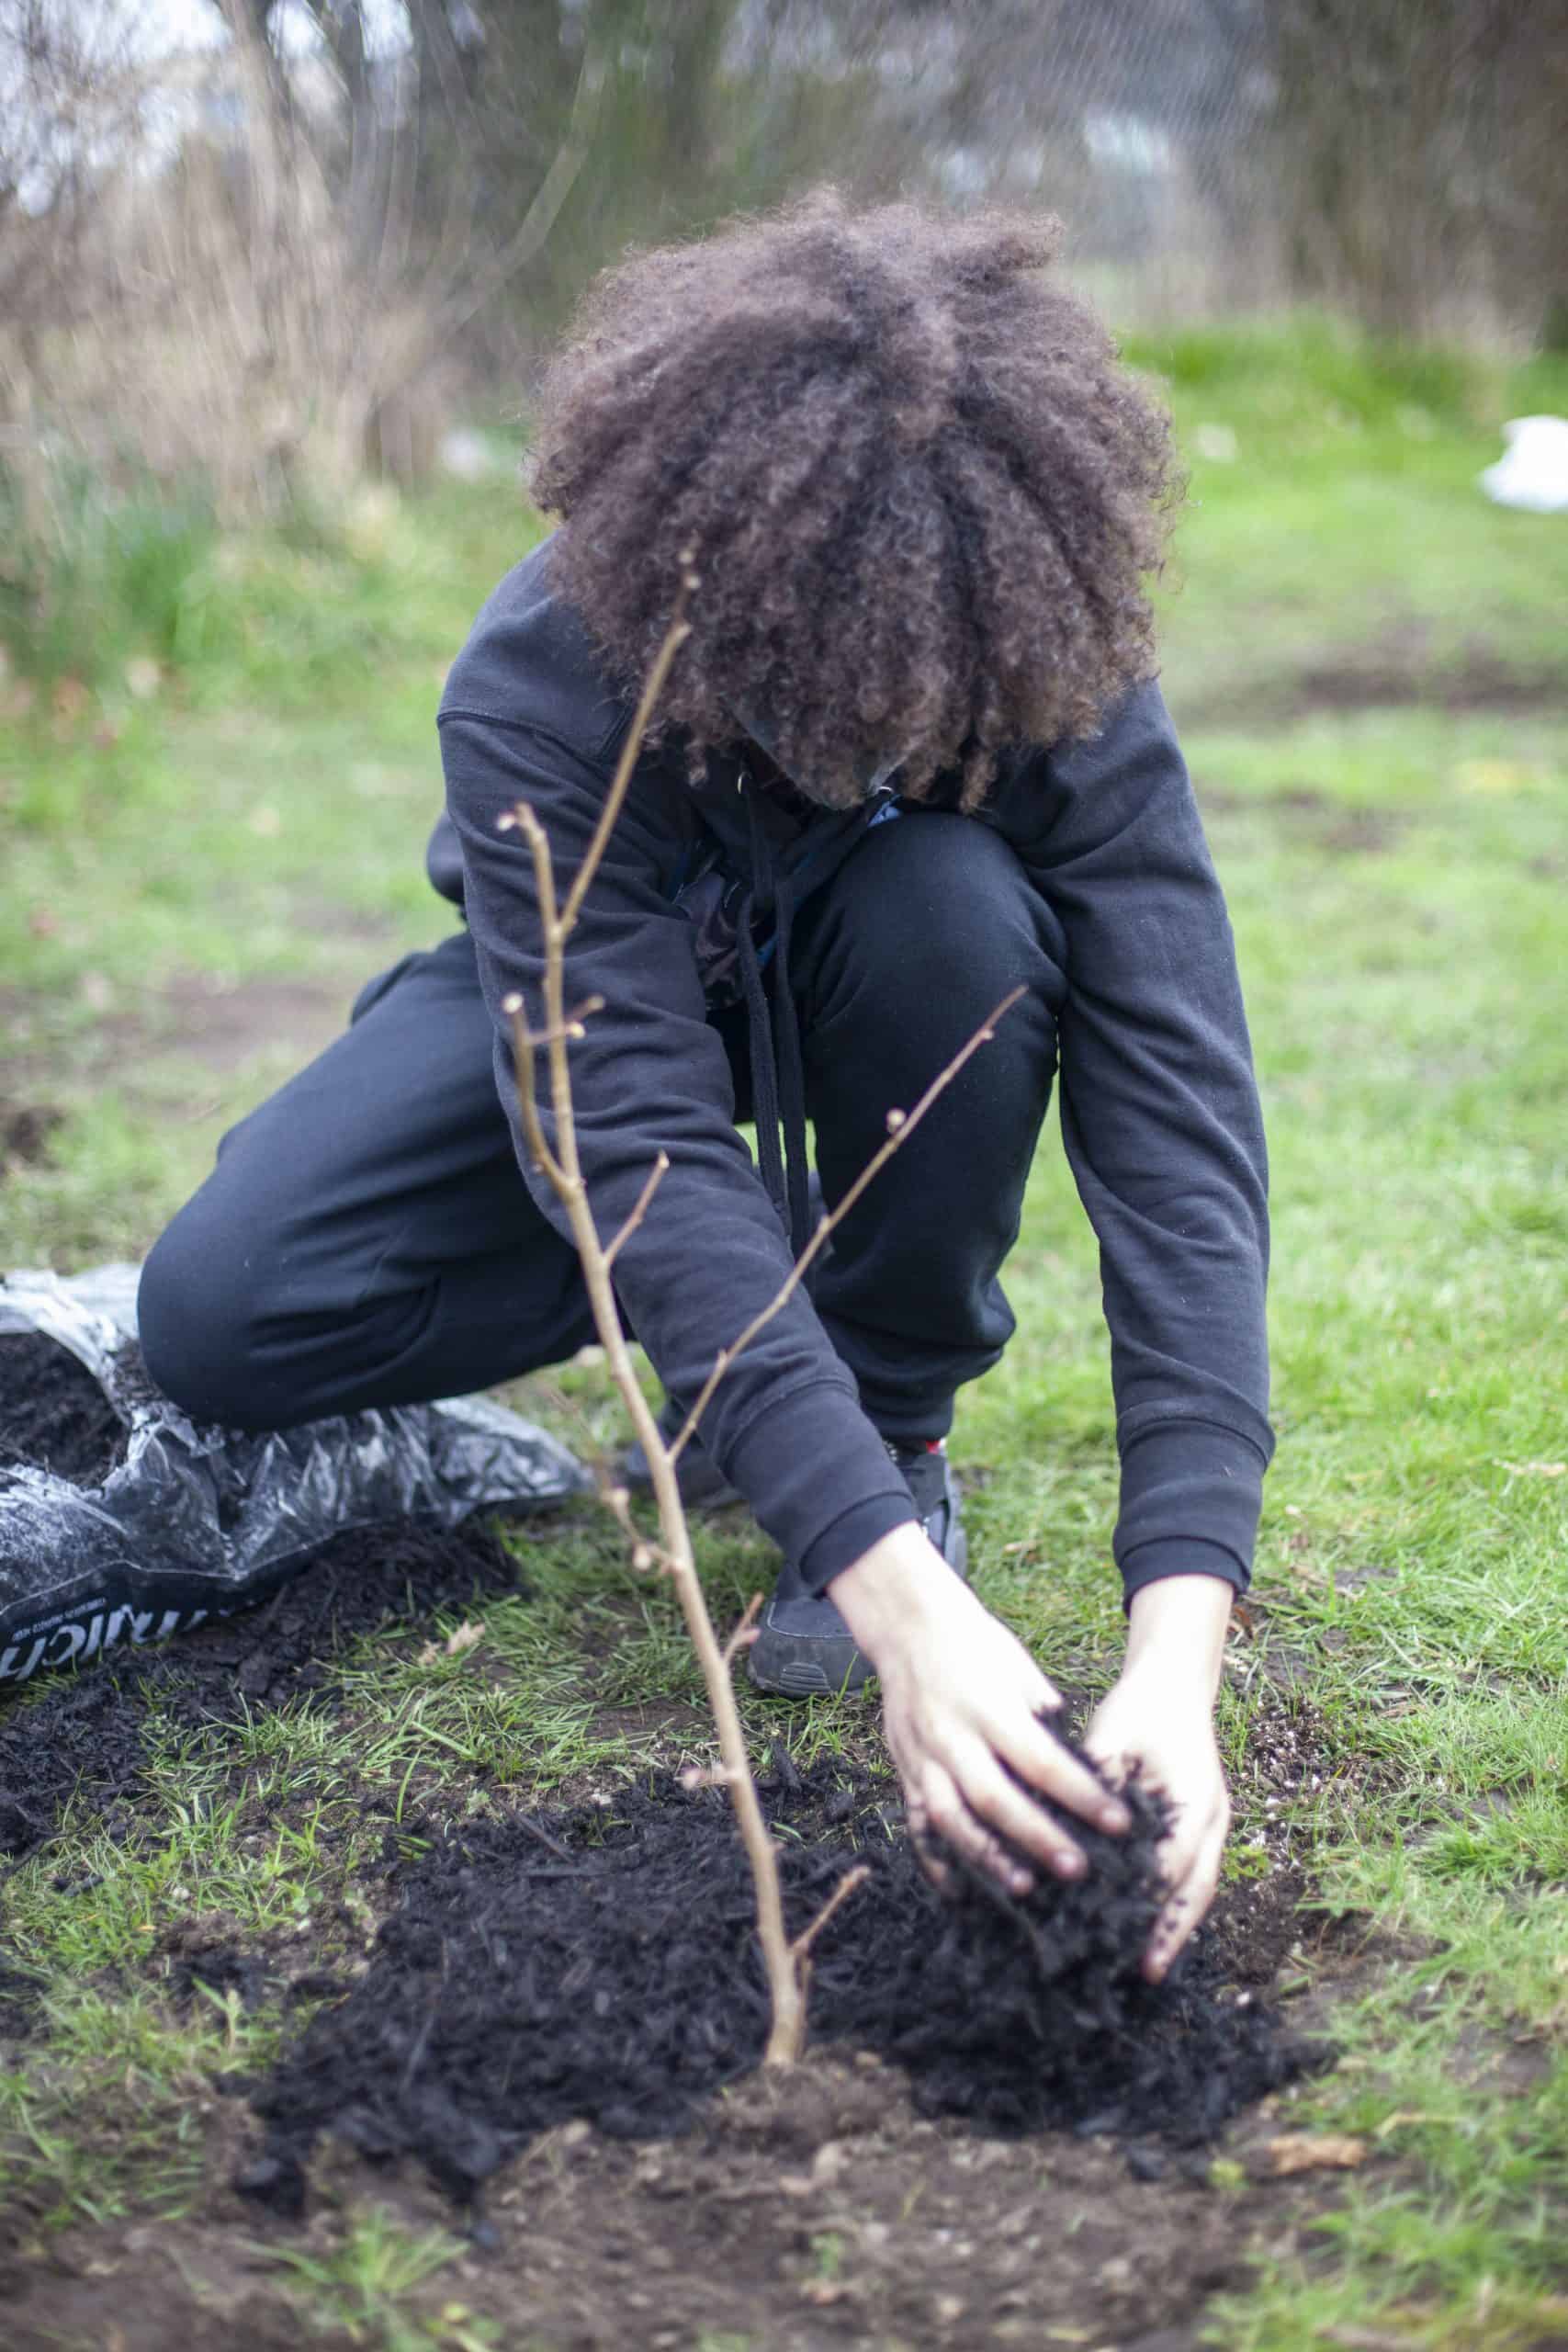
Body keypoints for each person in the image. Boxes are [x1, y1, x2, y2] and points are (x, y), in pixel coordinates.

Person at [138, 194, 1272, 1980]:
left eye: (915, 725)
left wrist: (1163, 1648)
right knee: (219, 1311)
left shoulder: (1037, 642)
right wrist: (917, 1627)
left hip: (894, 985)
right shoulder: (546, 675)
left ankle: (880, 1415)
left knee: (949, 907)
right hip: (618, 990)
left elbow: (1178, 1133)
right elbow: (639, 1140)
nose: (875, 749)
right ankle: (754, 1368)